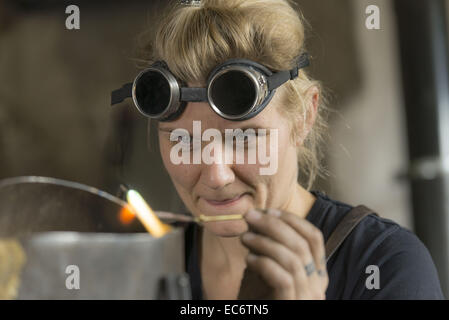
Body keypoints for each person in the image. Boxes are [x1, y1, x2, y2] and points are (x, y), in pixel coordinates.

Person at [111, 0, 444, 299]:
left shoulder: (383, 266)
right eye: (185, 141)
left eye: (244, 138)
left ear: (304, 118)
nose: (216, 175)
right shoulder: (143, 272)